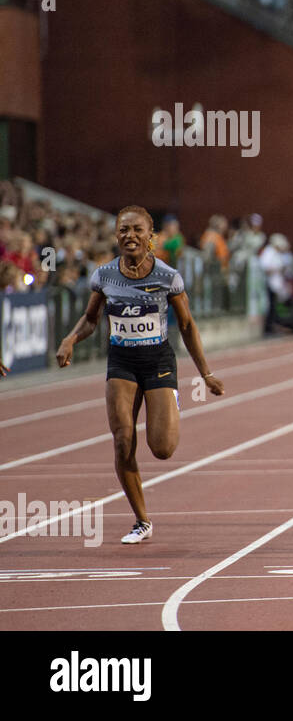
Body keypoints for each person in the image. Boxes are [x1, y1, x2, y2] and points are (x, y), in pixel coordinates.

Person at [49, 206, 223, 543]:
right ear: (116, 236)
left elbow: (186, 325)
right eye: (124, 230)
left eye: (137, 230)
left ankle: (170, 400)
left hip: (157, 360)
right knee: (123, 440)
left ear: (150, 236)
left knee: (162, 448)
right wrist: (70, 339)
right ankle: (142, 520)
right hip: (121, 362)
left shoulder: (167, 277)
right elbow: (90, 318)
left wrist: (206, 373)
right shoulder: (103, 276)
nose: (130, 236)